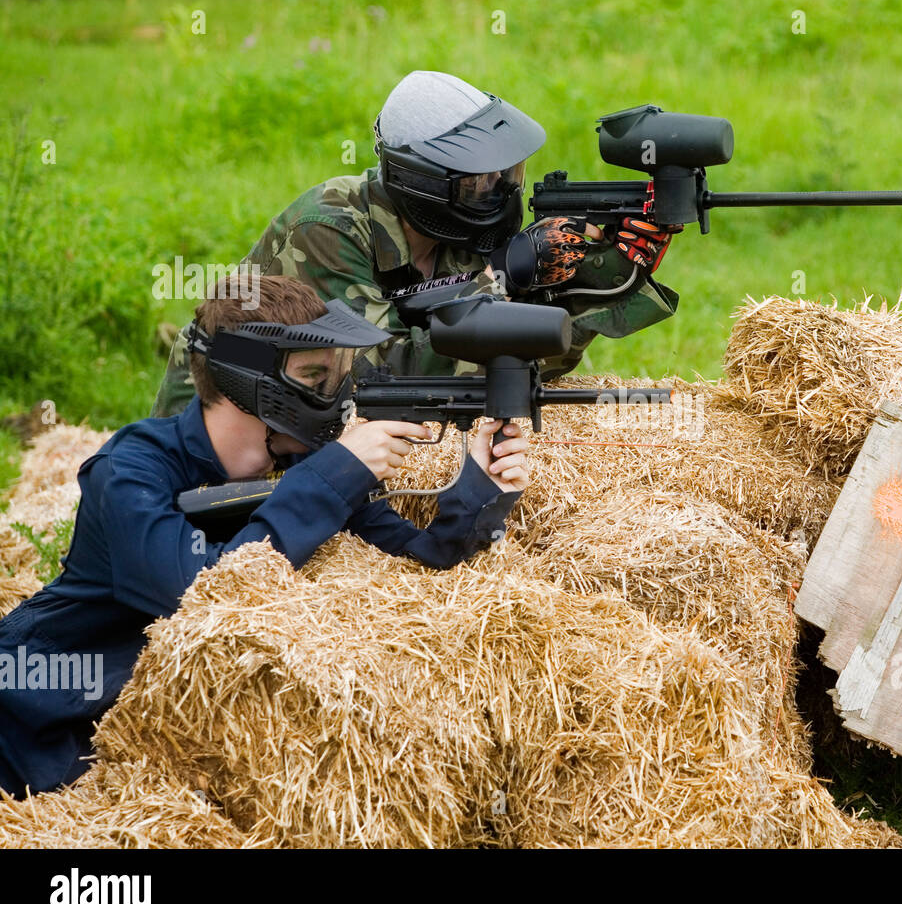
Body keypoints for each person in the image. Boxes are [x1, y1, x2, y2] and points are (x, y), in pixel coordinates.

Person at [0, 275, 529, 798]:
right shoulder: (130, 470)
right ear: (248, 381)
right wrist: (335, 474)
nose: (335, 392)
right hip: (40, 724)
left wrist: (480, 488)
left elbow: (413, 565)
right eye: (314, 375)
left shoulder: (306, 460)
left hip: (187, 742)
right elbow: (207, 596)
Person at [151, 71, 681, 418]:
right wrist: (504, 276)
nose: (501, 191)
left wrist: (595, 278)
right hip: (221, 439)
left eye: (506, 174)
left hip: (309, 421)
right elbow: (381, 379)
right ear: (423, 182)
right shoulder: (325, 229)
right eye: (481, 180)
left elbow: (502, 370)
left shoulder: (459, 238)